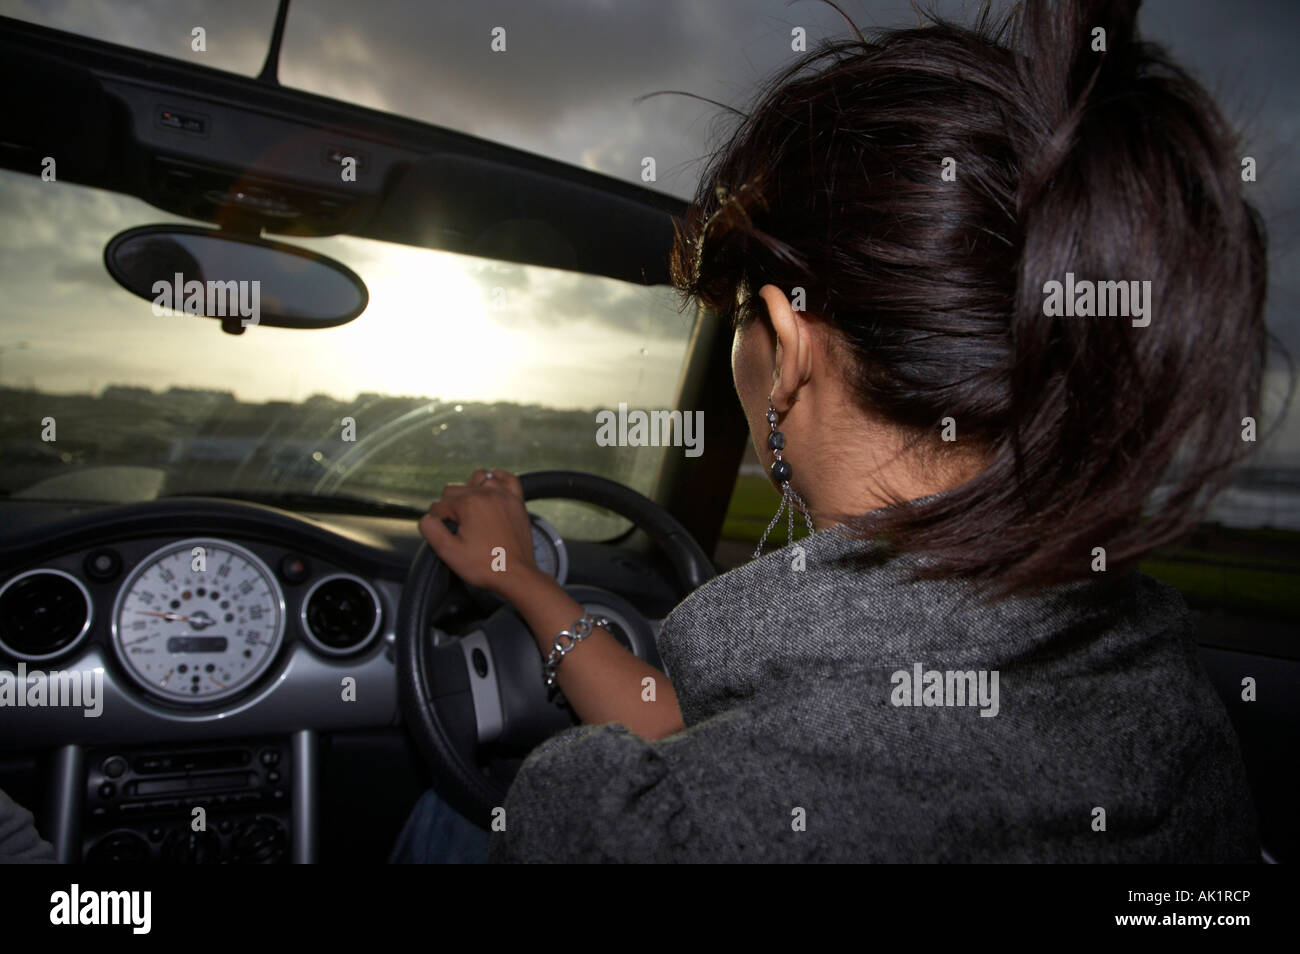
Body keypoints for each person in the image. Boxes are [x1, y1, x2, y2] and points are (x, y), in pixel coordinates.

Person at [393, 0, 1265, 863]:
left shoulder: (647, 836)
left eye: (733, 318)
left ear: (787, 346)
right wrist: (531, 589)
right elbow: (711, 733)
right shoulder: (1164, 701)